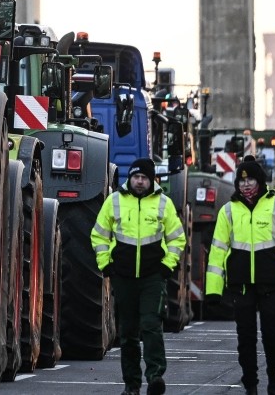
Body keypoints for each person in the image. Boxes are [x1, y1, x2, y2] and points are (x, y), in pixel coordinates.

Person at [205, 158, 275, 395]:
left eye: (250, 180)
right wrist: (213, 289)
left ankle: (274, 373)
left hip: (273, 285)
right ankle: (250, 384)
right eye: (241, 181)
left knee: (273, 337)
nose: (245, 186)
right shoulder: (228, 211)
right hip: (241, 286)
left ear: (260, 181)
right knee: (246, 338)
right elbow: (217, 251)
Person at [93, 158, 184, 395]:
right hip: (123, 277)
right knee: (128, 333)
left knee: (152, 326)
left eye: (144, 177)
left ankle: (155, 377)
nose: (140, 181)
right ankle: (131, 385)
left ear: (152, 179)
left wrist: (167, 266)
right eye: (136, 177)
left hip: (153, 277)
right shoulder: (114, 201)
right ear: (129, 178)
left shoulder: (164, 204)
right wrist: (106, 265)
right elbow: (99, 235)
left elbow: (177, 238)